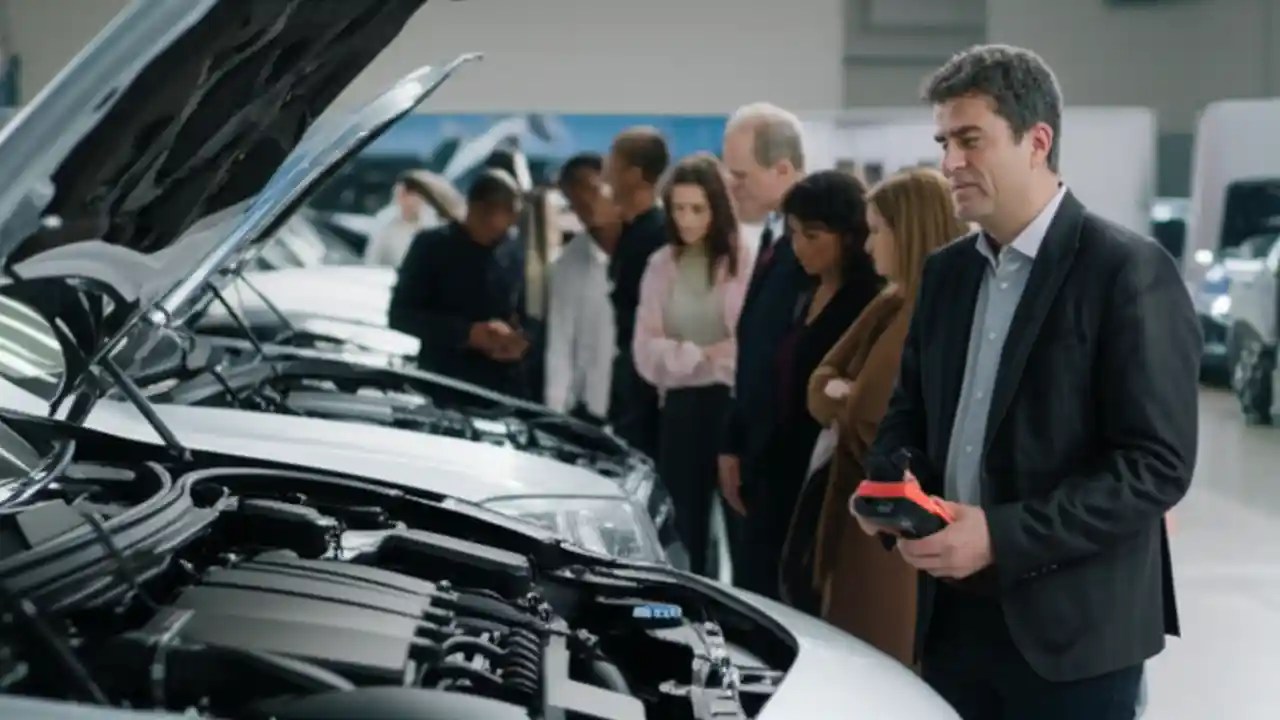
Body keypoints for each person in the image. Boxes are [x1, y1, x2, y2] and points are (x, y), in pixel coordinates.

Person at [856, 44, 1200, 719]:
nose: (949, 161)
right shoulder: (948, 275)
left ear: (1036, 140)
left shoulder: (1126, 272)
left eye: (970, 140)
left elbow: (1155, 466)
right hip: (953, 620)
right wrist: (890, 486)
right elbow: (909, 413)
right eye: (943, 141)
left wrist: (999, 536)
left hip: (1072, 636)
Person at [784, 167, 968, 663]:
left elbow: (872, 414)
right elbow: (820, 384)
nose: (868, 246)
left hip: (889, 535)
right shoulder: (889, 304)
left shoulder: (932, 314)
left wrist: (844, 397)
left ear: (907, 232)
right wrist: (842, 397)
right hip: (858, 516)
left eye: (879, 231)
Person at [743, 170, 883, 605]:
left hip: (820, 475)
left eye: (813, 235)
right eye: (794, 233)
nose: (799, 245)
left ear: (849, 236)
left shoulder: (868, 302)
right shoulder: (799, 288)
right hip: (774, 465)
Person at [632, 153, 752, 577]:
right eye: (678, 208)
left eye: (697, 208)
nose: (686, 219)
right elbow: (645, 352)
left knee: (743, 531)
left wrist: (685, 354)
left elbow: (746, 349)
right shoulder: (660, 265)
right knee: (683, 532)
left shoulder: (744, 261)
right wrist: (700, 354)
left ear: (717, 208)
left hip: (734, 411)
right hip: (680, 411)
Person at [716, 102, 809, 597]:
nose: (732, 188)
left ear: (783, 170)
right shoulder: (774, 235)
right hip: (756, 459)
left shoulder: (816, 248)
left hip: (784, 470)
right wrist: (733, 441)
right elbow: (754, 347)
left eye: (740, 175)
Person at [387, 169, 529, 395]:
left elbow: (522, 313)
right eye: (497, 215)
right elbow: (401, 315)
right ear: (475, 208)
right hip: (444, 385)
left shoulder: (514, 250)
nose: (506, 227)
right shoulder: (432, 246)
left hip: (501, 389)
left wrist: (518, 341)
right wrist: (466, 334)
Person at [604, 126, 670, 459]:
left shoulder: (658, 235)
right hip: (628, 378)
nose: (605, 171)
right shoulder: (631, 231)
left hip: (647, 387)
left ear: (633, 173)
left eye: (612, 162)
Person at [544, 152, 622, 425]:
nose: (586, 203)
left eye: (592, 189)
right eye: (575, 198)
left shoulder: (651, 247)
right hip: (591, 410)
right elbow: (560, 343)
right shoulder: (569, 262)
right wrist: (555, 415)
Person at [364, 170, 463, 268]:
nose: (403, 198)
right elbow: (372, 261)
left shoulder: (443, 227)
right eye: (400, 192)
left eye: (410, 192)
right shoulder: (387, 221)